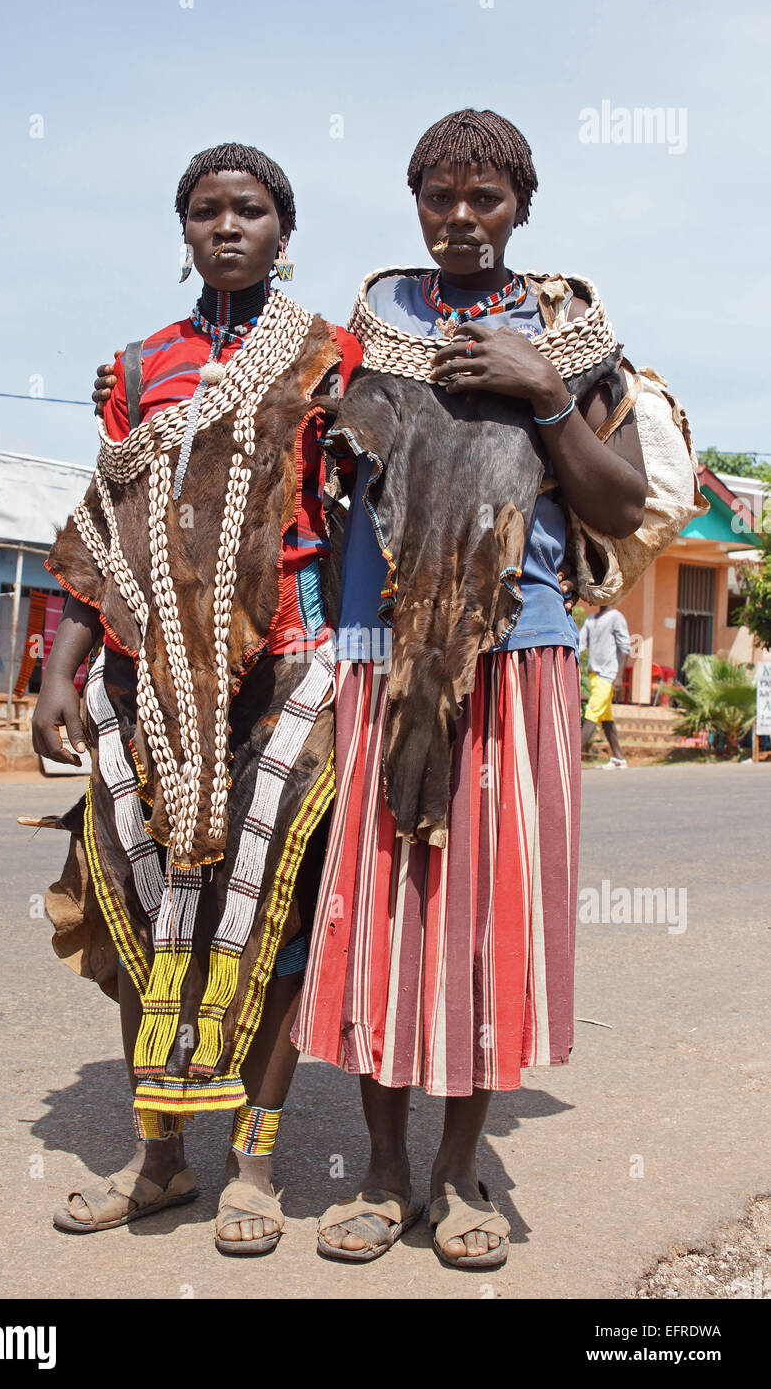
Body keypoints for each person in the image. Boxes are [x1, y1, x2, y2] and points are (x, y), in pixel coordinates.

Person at [290, 108, 647, 1268]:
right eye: (437, 196)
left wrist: (541, 391)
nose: (457, 217)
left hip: (519, 651)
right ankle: (381, 1172)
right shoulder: (370, 322)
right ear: (415, 204)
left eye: (482, 198)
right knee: (382, 914)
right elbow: (299, 460)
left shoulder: (570, 331)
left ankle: (457, 1177)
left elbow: (617, 505)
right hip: (375, 653)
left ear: (519, 209)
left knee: (488, 918)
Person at [30, 143, 360, 1255]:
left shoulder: (325, 355)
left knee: (270, 924)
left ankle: (253, 1168)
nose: (228, 228)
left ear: (283, 228)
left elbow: (360, 518)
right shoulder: (135, 369)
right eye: (206, 212)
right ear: (183, 232)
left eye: (251, 210)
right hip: (148, 678)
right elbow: (104, 528)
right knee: (147, 918)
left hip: (282, 667)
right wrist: (60, 667)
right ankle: (160, 1157)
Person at [579, 604, 633, 767]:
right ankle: (619, 758)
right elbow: (580, 644)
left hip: (608, 675)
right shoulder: (590, 620)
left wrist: (619, 677)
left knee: (591, 714)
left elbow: (625, 647)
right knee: (606, 719)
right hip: (593, 675)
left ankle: (572, 759)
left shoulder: (616, 616)